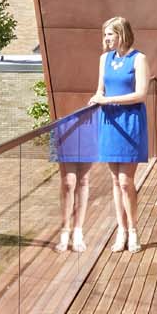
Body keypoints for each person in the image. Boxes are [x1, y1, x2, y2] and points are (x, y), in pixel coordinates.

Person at [88, 16, 149, 251]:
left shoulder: (139, 59)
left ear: (122, 34)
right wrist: (96, 98)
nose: (106, 39)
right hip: (109, 122)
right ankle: (121, 231)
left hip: (130, 121)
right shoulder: (104, 59)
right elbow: (100, 90)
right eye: (105, 34)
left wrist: (109, 100)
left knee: (125, 181)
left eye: (110, 34)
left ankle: (133, 231)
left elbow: (141, 94)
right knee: (115, 180)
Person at [50, 102, 97, 252]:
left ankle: (78, 231)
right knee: (68, 182)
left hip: (89, 122)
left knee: (83, 180)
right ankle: (65, 230)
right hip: (64, 121)